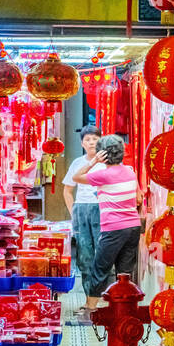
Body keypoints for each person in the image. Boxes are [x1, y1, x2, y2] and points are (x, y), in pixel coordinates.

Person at [72, 133, 142, 308]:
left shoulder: (103, 175)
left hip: (113, 228)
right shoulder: (131, 172)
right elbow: (139, 198)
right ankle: (124, 308)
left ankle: (90, 307)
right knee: (124, 271)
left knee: (100, 268)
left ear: (102, 154)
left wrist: (93, 161)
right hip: (133, 226)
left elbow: (77, 177)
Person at [62, 126, 101, 314]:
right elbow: (67, 190)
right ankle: (88, 301)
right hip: (82, 209)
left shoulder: (107, 162)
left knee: (103, 255)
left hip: (102, 210)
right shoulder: (77, 163)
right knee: (85, 257)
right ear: (82, 143)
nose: (91, 142)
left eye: (95, 139)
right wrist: (73, 213)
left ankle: (102, 301)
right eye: (88, 139)